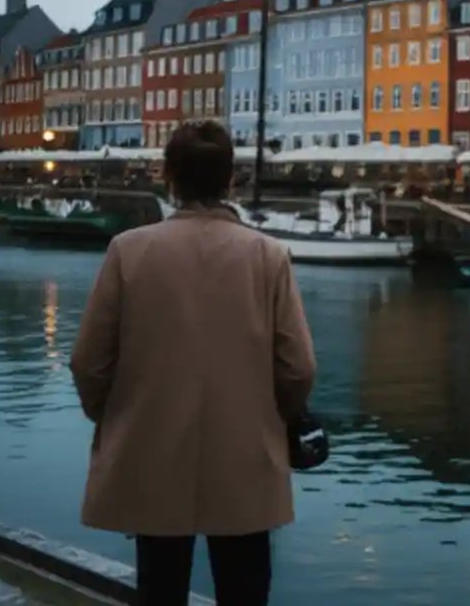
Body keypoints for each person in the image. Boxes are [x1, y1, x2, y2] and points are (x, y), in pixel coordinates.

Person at [70, 121, 316, 605]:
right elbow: (299, 367)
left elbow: (88, 363)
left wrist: (114, 415)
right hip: (246, 455)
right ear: (231, 180)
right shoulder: (269, 256)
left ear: (169, 177)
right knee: (244, 587)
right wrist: (279, 418)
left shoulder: (128, 250)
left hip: (151, 446)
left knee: (159, 587)